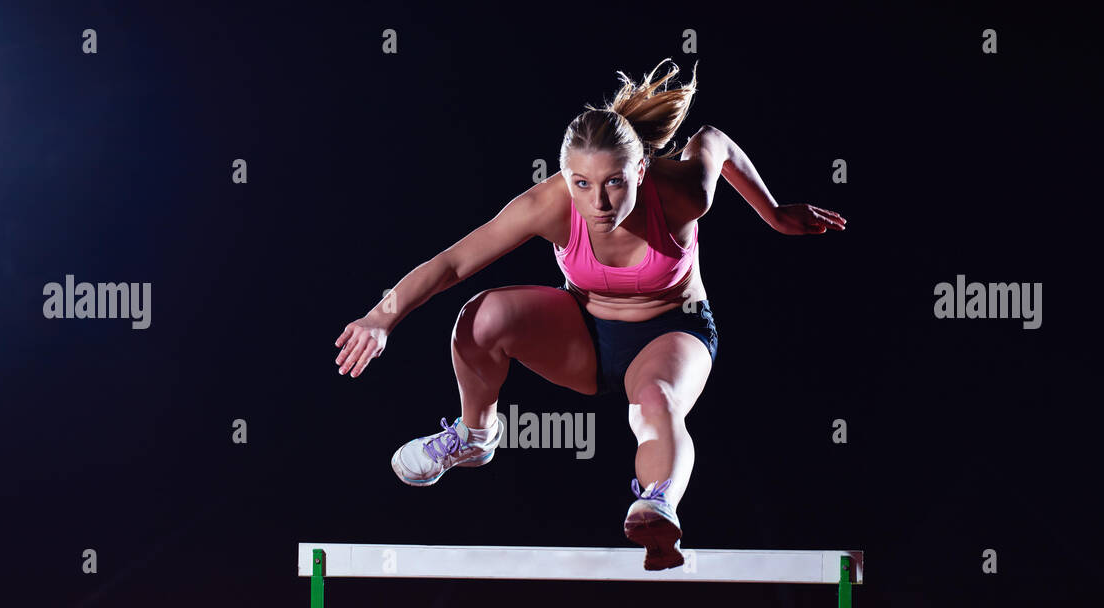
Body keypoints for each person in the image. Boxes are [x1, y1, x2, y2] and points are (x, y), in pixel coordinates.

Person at [334, 59, 845, 570]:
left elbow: (715, 140)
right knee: (481, 317)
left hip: (673, 328)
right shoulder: (546, 205)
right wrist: (382, 317)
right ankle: (475, 436)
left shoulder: (683, 193)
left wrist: (774, 214)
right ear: (565, 176)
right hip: (583, 332)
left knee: (656, 402)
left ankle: (658, 505)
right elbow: (453, 263)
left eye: (615, 183)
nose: (598, 202)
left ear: (640, 171)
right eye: (581, 183)